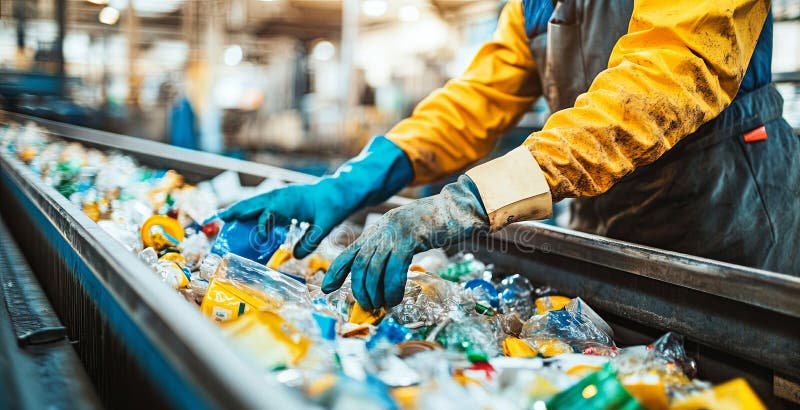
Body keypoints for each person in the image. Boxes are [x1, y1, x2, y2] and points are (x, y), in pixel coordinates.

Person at [220, 0, 800, 311]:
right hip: (609, 220)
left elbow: (660, 85)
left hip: (728, 223)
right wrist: (352, 182)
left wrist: (470, 200)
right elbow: (475, 101)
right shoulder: (535, 3)